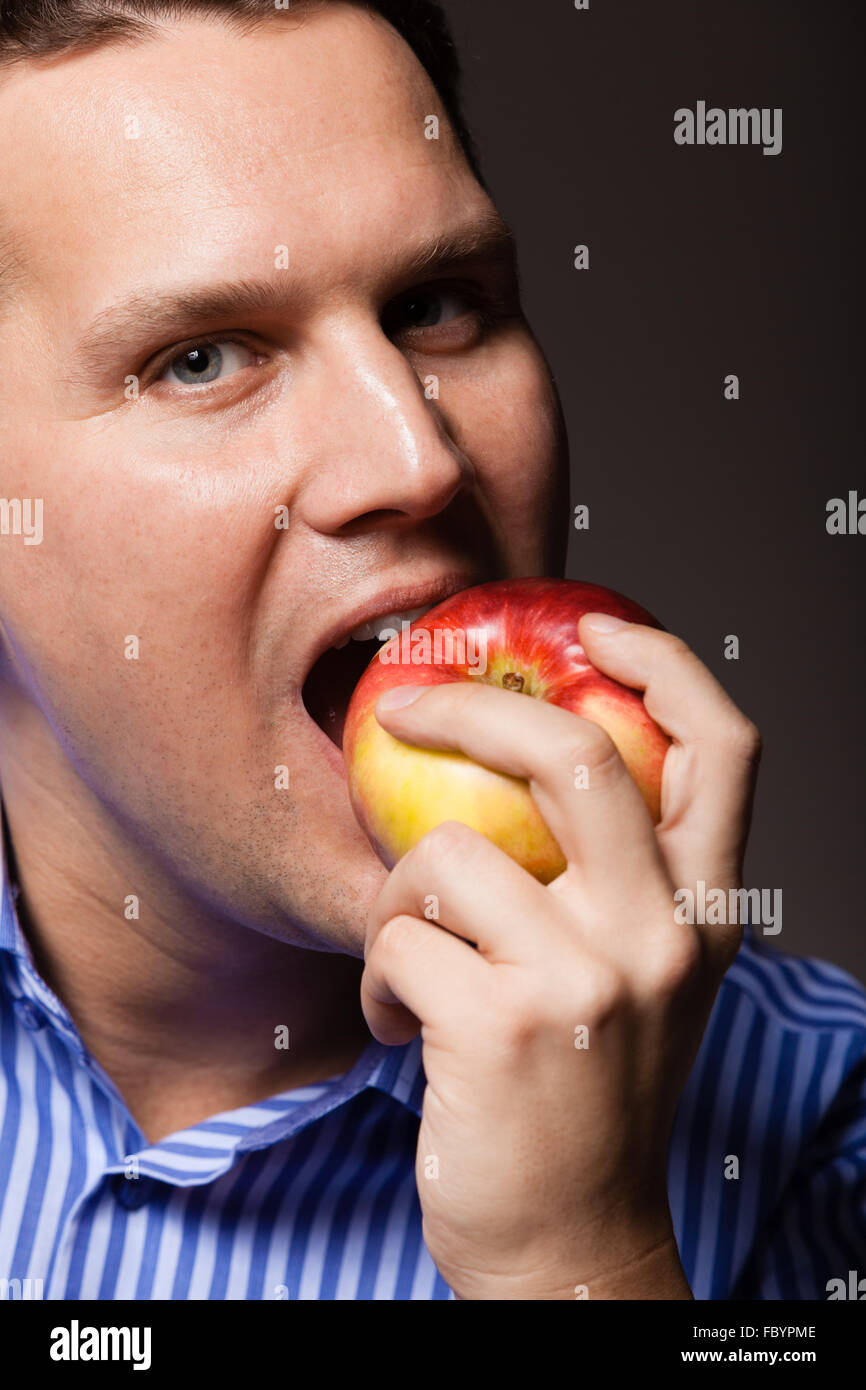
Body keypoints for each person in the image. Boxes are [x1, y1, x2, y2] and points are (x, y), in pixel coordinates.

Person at [0, 0, 863, 1302]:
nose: (416, 458)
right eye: (202, 359)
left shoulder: (818, 1136)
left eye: (437, 304)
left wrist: (575, 1257)